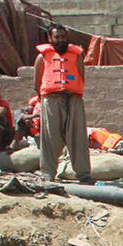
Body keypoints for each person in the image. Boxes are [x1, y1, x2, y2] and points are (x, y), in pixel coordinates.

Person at [33, 24, 90, 182]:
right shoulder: (42, 57)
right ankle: (47, 173)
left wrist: (73, 92)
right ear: (50, 38)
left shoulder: (77, 56)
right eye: (57, 37)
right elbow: (37, 82)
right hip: (51, 100)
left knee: (78, 138)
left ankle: (84, 175)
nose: (61, 40)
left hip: (74, 100)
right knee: (50, 138)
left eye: (63, 37)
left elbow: (81, 76)